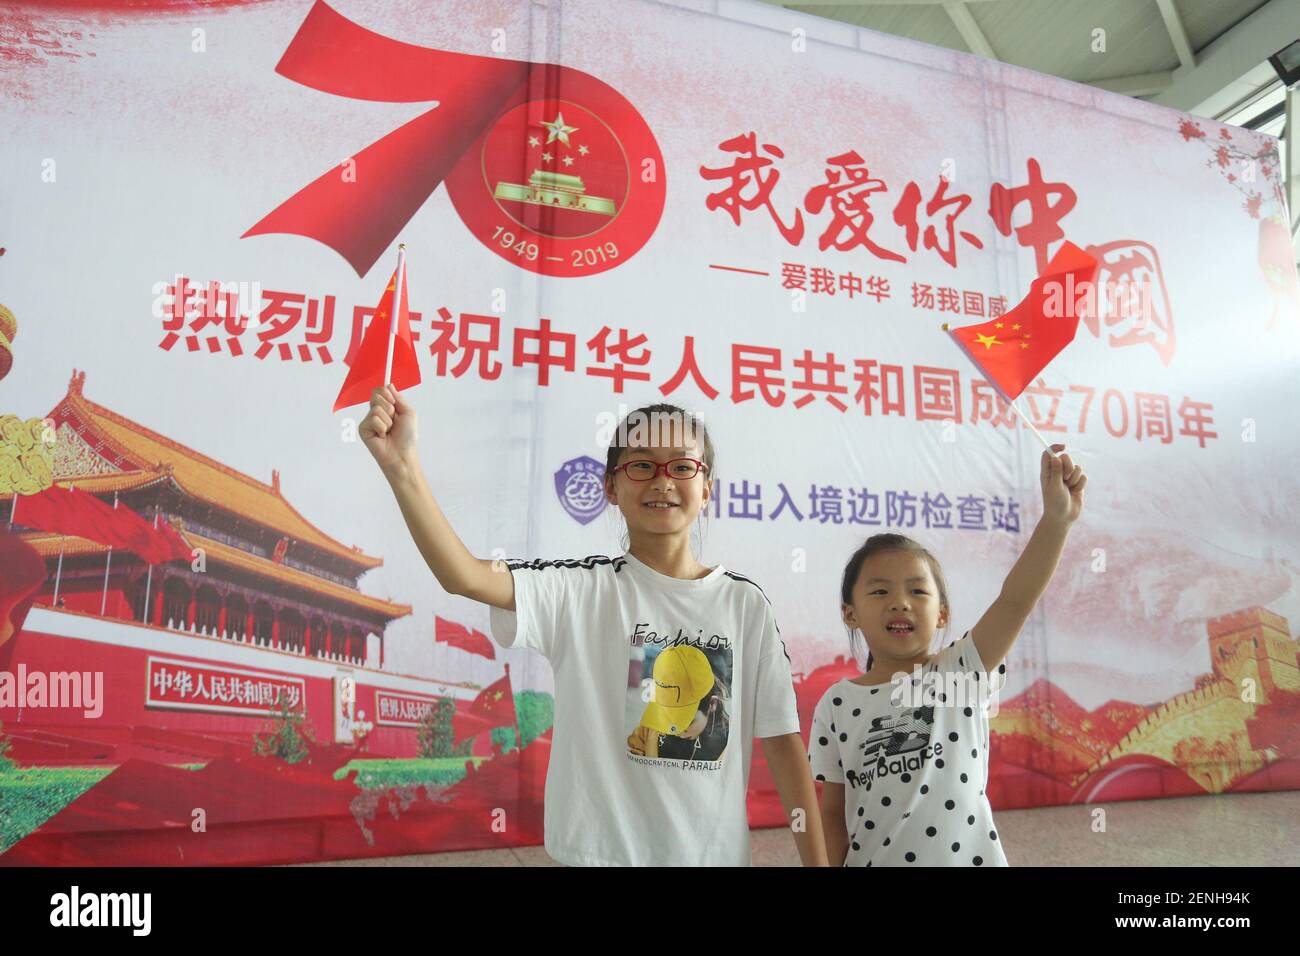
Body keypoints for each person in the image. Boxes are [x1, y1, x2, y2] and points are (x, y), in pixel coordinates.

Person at [362, 386, 826, 866]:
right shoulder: (578, 591)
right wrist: (403, 468)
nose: (663, 481)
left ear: (707, 487)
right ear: (611, 487)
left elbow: (783, 744)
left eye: (682, 466)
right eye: (642, 465)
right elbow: (463, 575)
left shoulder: (744, 605)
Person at [810, 443, 1087, 866]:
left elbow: (1015, 600)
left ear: (941, 615)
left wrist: (1056, 521)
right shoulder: (837, 703)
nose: (900, 603)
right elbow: (831, 814)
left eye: (917, 591)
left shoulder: (961, 673)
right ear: (850, 613)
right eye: (880, 590)